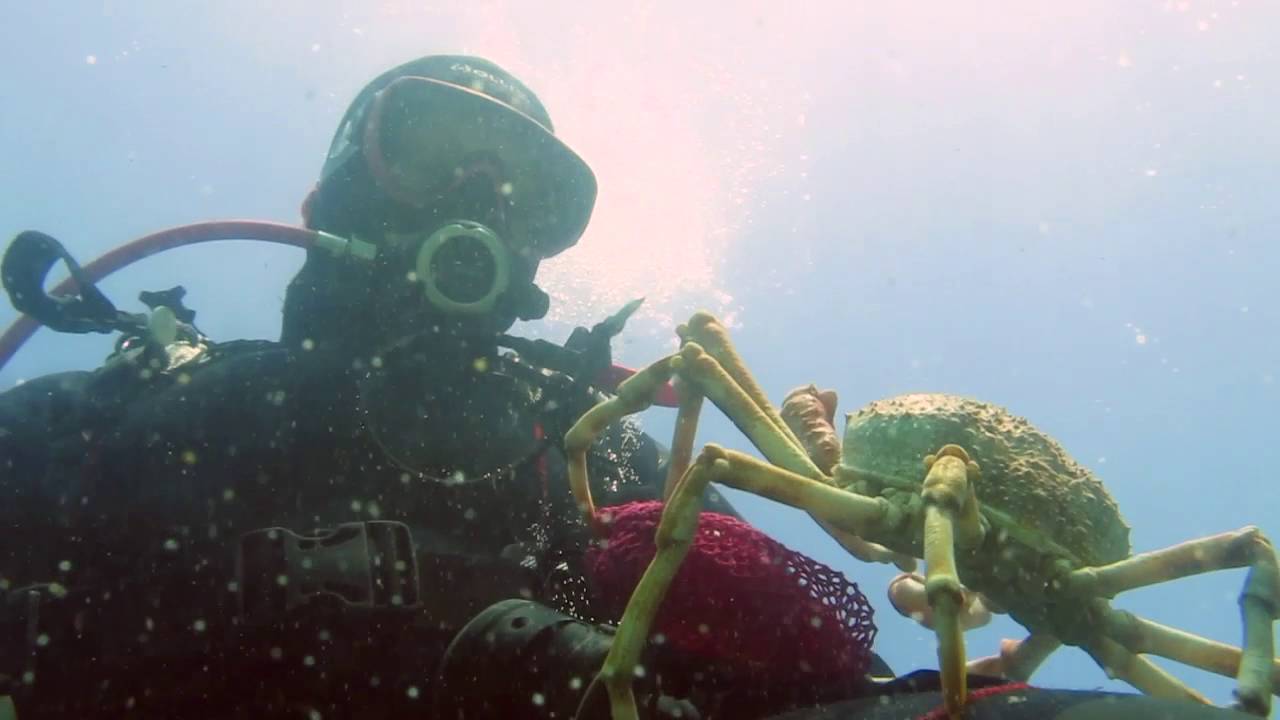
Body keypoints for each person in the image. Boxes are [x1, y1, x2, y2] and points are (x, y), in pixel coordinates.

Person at [0, 56, 1260, 720]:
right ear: (330, 201)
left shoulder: (599, 460)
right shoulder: (117, 421)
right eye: (431, 156)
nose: (480, 206)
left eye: (526, 193)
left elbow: (816, 689)